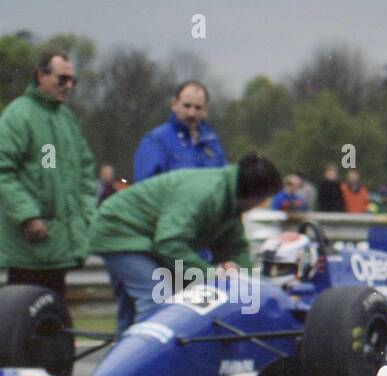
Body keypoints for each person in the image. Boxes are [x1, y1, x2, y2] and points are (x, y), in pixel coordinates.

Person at [89, 153, 281, 334]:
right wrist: (212, 274)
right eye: (263, 199)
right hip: (119, 230)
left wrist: (250, 285)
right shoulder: (205, 193)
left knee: (131, 312)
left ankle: (122, 365)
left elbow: (234, 248)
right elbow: (169, 243)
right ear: (254, 194)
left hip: (140, 234)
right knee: (156, 299)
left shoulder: (229, 201)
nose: (261, 204)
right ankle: (155, 366)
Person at [0, 49, 96, 301]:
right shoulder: (18, 115)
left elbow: (86, 170)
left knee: (53, 319)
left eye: (71, 80)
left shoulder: (66, 118)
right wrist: (27, 216)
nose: (68, 86)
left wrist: (86, 214)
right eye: (61, 79)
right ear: (40, 76)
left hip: (60, 245)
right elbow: (3, 172)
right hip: (27, 248)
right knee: (20, 321)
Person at [133, 81, 225, 181]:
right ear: (174, 104)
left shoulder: (212, 144)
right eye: (187, 106)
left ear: (205, 110)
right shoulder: (156, 141)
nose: (192, 113)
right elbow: (145, 188)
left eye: (198, 108)